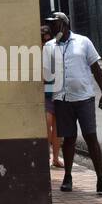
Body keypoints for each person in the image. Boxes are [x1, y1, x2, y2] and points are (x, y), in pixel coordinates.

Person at [43, 12, 102, 195]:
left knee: (91, 137)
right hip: (62, 99)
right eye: (51, 25)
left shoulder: (83, 42)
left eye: (55, 24)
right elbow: (47, 75)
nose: (52, 28)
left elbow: (95, 68)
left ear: (64, 25)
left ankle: (101, 180)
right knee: (69, 139)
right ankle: (67, 177)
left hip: (84, 98)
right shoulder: (49, 47)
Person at [41, 21, 63, 169]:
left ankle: (55, 157)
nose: (46, 43)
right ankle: (48, 155)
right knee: (48, 123)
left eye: (48, 39)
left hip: (57, 90)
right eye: (44, 40)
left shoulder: (56, 50)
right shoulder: (40, 52)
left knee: (57, 127)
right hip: (47, 91)